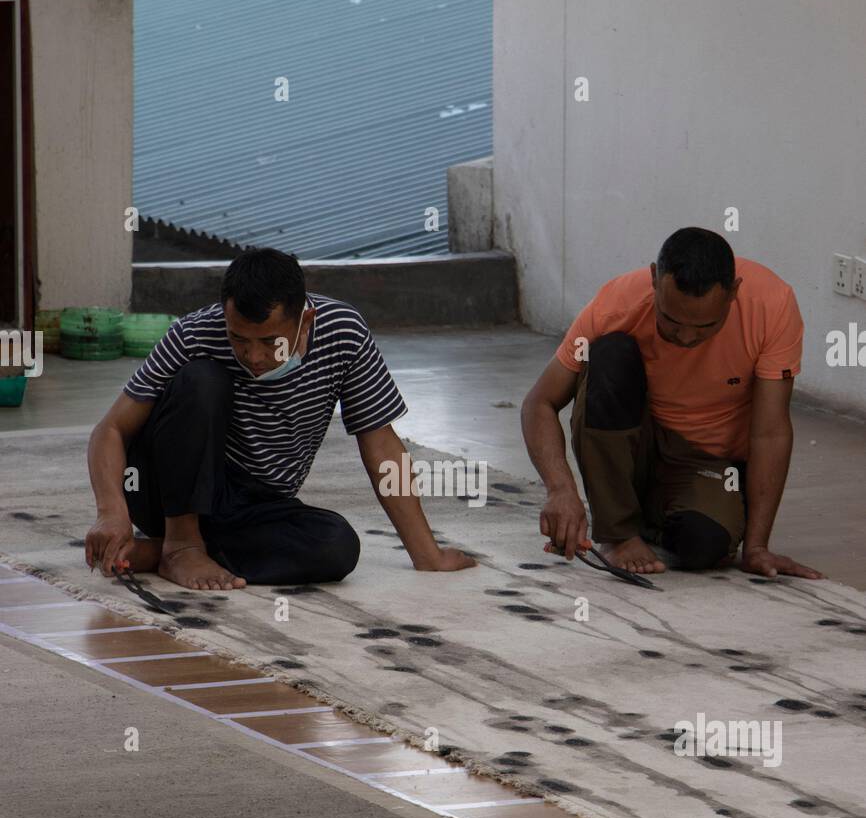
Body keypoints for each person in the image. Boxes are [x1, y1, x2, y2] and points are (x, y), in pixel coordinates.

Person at [85, 248, 476, 589]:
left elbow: (381, 443)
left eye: (271, 342)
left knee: (336, 546)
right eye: (239, 339)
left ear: (304, 321)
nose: (253, 357)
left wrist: (428, 554)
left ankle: (163, 553)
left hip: (256, 503)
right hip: (168, 490)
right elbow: (112, 429)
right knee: (201, 381)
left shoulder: (344, 334)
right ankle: (182, 543)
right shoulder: (194, 333)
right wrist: (111, 512)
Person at [521, 227, 822, 580]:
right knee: (609, 354)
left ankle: (649, 515)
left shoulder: (772, 304)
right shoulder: (617, 303)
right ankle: (618, 533)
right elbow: (539, 402)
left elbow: (770, 432)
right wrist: (560, 490)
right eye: (671, 321)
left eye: (706, 326)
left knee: (703, 546)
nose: (686, 337)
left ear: (734, 293)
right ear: (654, 278)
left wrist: (756, 547)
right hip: (637, 444)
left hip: (705, 461)